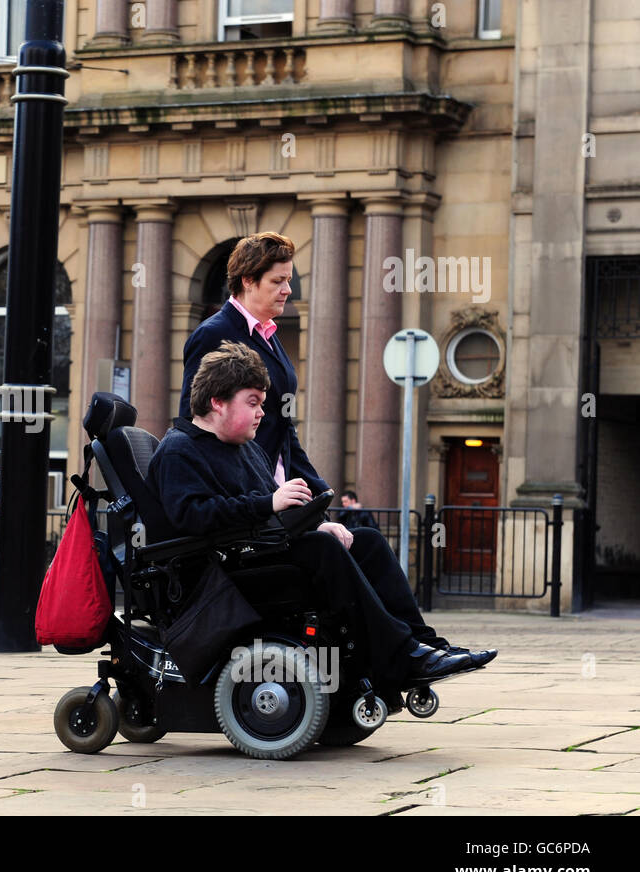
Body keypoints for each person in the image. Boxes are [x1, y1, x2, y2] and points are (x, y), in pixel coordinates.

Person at [149, 342, 496, 690]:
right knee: (322, 551)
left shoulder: (244, 447)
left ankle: (425, 646)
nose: (261, 413)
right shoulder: (180, 449)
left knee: (367, 542)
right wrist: (269, 503)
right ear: (217, 402)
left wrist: (318, 522)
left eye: (262, 404)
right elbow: (192, 517)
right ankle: (400, 655)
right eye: (252, 402)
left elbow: (268, 510)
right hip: (217, 578)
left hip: (250, 557)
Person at [179, 232, 327, 495]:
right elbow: (194, 422)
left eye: (289, 280)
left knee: (363, 537)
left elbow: (284, 427)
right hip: (242, 497)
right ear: (248, 280)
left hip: (275, 490)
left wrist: (318, 490)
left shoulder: (268, 335)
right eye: (278, 281)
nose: (288, 290)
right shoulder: (212, 334)